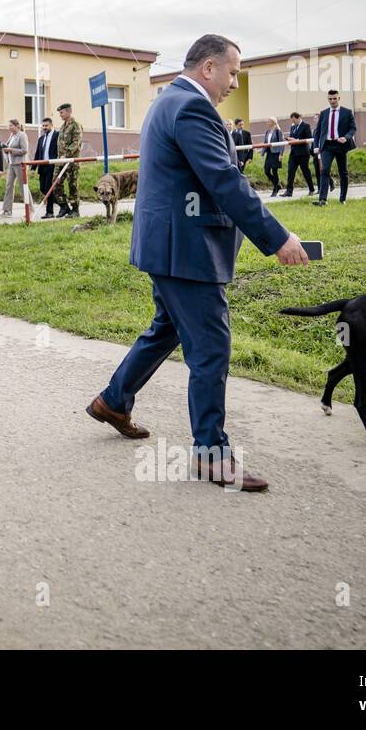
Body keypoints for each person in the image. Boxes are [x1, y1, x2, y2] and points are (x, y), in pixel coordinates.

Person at [87, 35, 308, 492]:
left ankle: (114, 400)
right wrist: (278, 237)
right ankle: (211, 453)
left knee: (166, 328)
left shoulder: (168, 101)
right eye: (232, 72)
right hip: (186, 250)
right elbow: (224, 181)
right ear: (208, 67)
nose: (233, 82)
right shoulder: (192, 108)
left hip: (165, 244)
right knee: (210, 348)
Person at [312, 88, 356, 206]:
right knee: (324, 170)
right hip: (327, 145)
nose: (332, 101)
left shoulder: (347, 112)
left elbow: (353, 128)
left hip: (341, 145)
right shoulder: (324, 113)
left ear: (339, 98)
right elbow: (318, 131)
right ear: (328, 99)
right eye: (330, 99)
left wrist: (346, 137)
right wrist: (316, 145)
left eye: (334, 99)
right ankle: (323, 200)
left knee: (343, 172)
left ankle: (342, 199)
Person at [54, 103, 83, 217]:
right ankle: (63, 206)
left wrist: (66, 155)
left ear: (68, 112)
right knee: (56, 183)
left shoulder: (75, 125)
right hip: (60, 160)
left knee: (72, 185)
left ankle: (75, 210)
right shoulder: (63, 126)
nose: (60, 115)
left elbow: (76, 143)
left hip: (71, 161)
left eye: (61, 112)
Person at [281, 111, 315, 197]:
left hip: (303, 153)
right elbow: (293, 138)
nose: (293, 123)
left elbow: (309, 138)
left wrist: (296, 140)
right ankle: (289, 191)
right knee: (290, 171)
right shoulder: (293, 127)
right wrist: (289, 139)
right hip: (293, 153)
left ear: (298, 118)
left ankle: (311, 189)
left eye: (294, 120)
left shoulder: (306, 126)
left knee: (305, 171)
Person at [0, 118, 28, 216]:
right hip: (11, 164)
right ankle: (7, 210)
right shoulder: (12, 135)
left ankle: (30, 209)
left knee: (23, 187)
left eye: (11, 125)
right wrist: (4, 146)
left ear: (16, 126)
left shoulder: (22, 135)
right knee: (9, 186)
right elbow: (8, 146)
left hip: (20, 164)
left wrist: (11, 150)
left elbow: (24, 150)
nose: (9, 127)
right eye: (9, 125)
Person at [33, 116, 59, 218]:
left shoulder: (57, 136)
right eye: (43, 126)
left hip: (52, 165)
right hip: (42, 166)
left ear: (51, 125)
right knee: (43, 188)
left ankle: (50, 212)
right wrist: (33, 168)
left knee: (48, 189)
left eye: (46, 125)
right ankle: (62, 203)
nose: (44, 127)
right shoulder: (41, 138)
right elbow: (37, 153)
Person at [261, 118, 283, 196]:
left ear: (273, 122)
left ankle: (275, 190)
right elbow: (265, 143)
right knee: (266, 171)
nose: (267, 123)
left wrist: (281, 154)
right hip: (269, 153)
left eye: (268, 121)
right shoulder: (267, 132)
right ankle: (277, 185)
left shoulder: (278, 131)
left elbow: (281, 143)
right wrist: (262, 153)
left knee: (274, 171)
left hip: (276, 153)